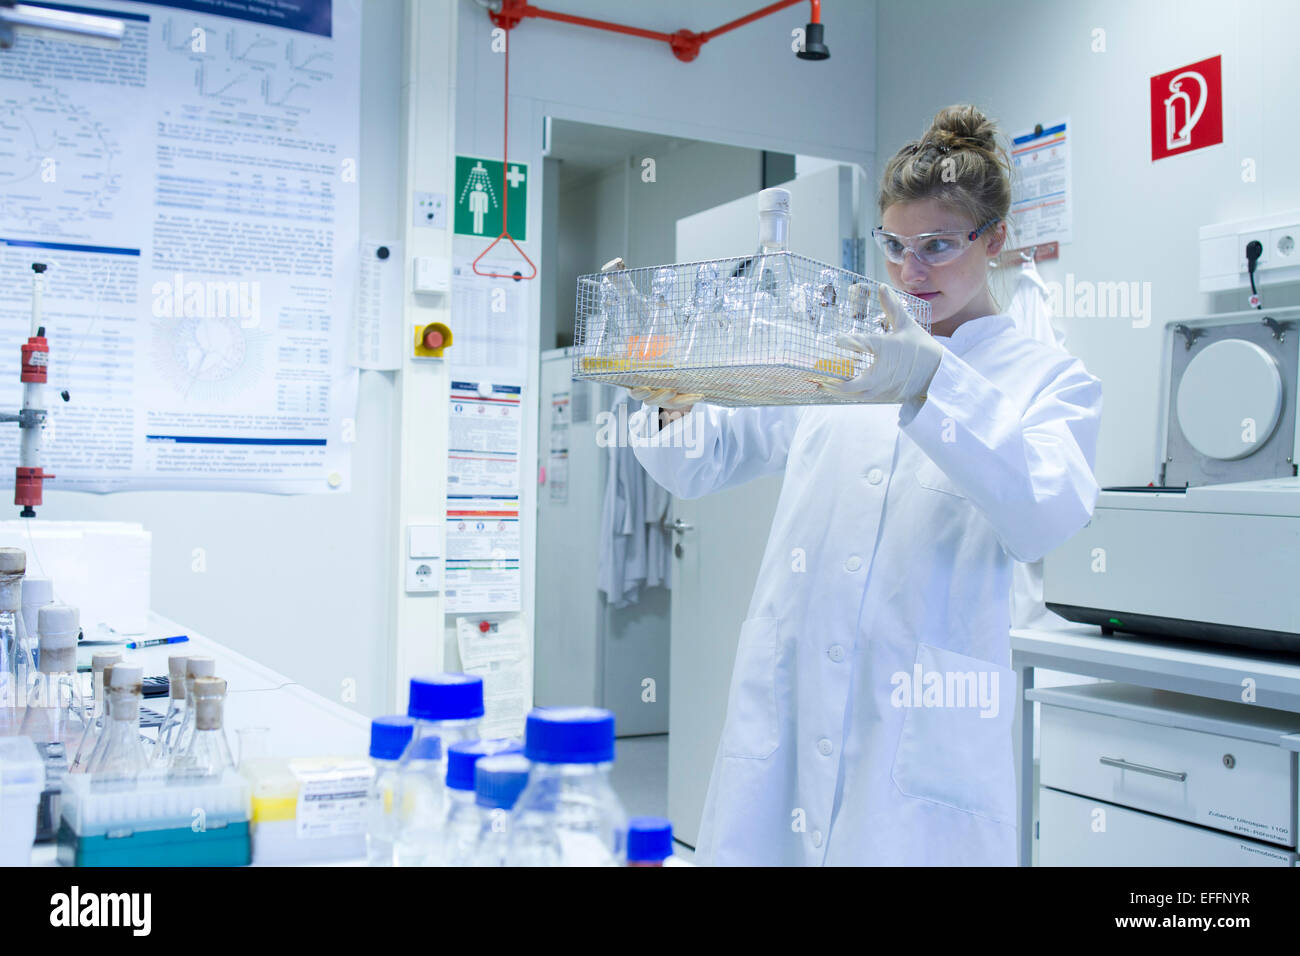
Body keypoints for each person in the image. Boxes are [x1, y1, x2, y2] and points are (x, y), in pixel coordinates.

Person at [626, 105, 1102, 866]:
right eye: (895, 247)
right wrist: (665, 392)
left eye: (939, 247)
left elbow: (1044, 512)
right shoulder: (839, 358)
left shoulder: (1048, 380)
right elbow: (705, 458)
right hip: (794, 692)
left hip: (923, 734)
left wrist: (932, 382)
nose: (912, 273)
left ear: (997, 241)